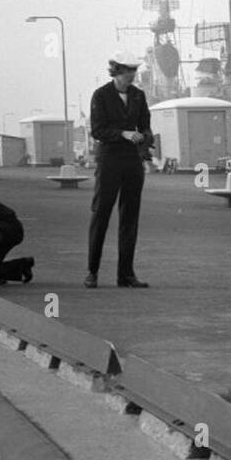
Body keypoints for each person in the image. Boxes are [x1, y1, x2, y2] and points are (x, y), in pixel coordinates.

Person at [85, 50, 152, 288]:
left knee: (130, 217)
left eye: (134, 71)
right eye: (127, 71)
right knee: (101, 214)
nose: (131, 75)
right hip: (109, 159)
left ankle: (126, 274)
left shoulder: (138, 96)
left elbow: (146, 126)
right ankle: (92, 271)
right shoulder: (101, 95)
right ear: (116, 70)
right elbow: (98, 130)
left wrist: (144, 141)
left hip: (132, 161)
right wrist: (123, 133)